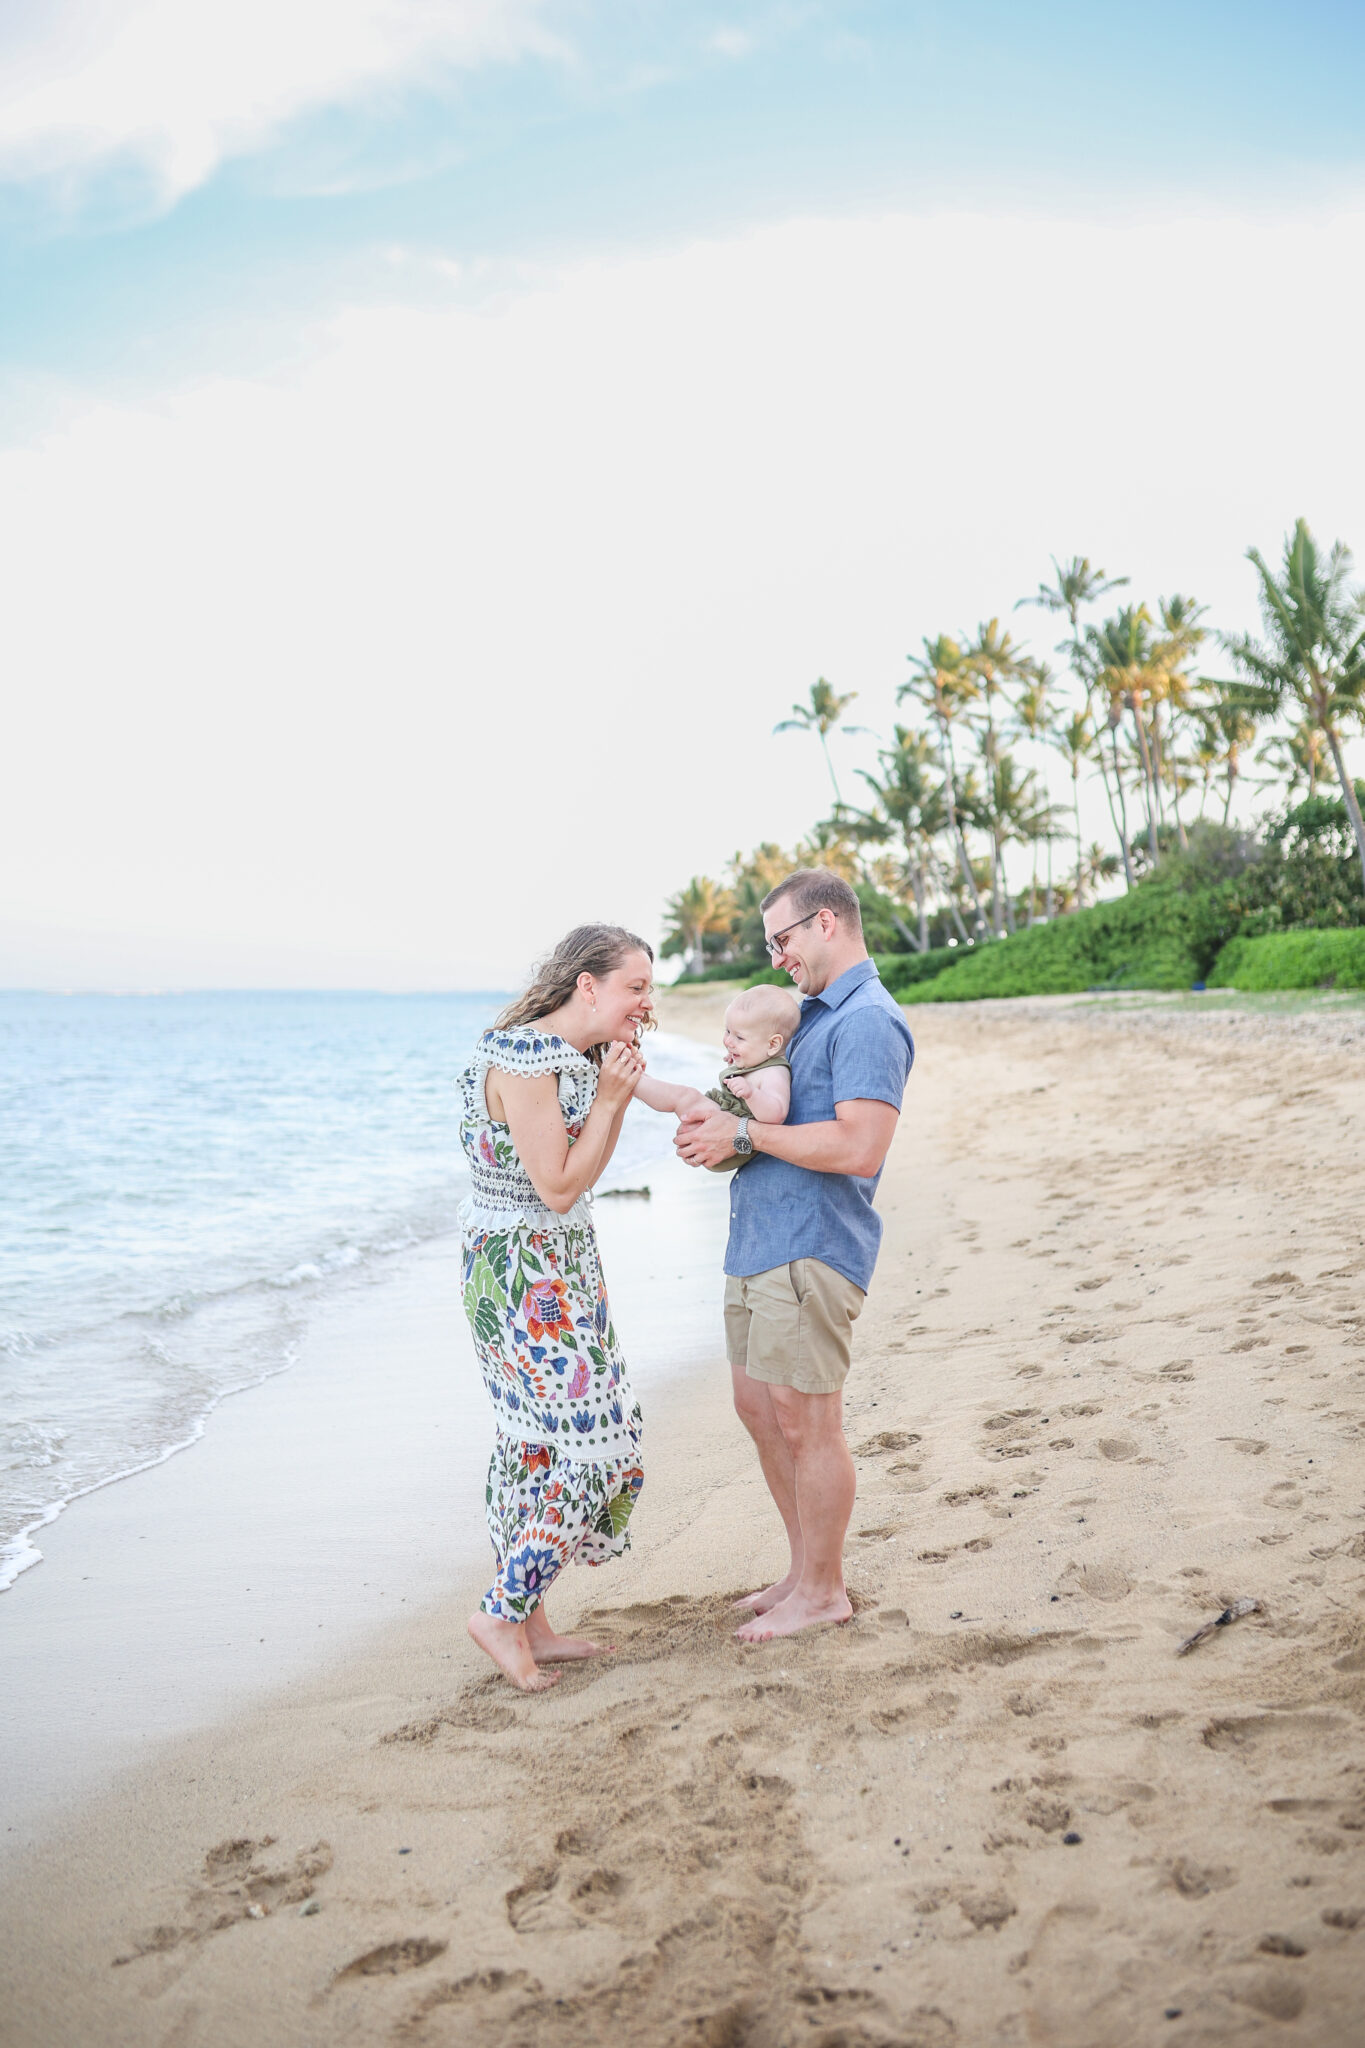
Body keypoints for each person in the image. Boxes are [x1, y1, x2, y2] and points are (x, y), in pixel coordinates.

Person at [674, 870, 914, 1643]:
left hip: (813, 1247)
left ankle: (823, 1590)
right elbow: (768, 1118)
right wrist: (718, 1137)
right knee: (758, 1410)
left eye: (782, 939)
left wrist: (745, 1134)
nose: (776, 956)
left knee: (808, 1422)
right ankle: (801, 1570)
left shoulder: (867, 1021)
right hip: (757, 1241)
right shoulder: (800, 1017)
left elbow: (858, 1145)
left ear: (825, 924)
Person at [456, 925, 652, 1692]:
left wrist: (612, 1097)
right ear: (588, 985)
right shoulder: (525, 1060)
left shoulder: (565, 1058)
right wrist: (611, 1100)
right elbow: (560, 1187)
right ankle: (501, 1612)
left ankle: (531, 1624)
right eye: (635, 987)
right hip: (525, 1273)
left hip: (544, 1263)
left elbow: (582, 1174)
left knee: (533, 1445)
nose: (646, 1003)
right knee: (603, 1445)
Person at [633, 983, 802, 1170]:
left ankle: (632, 1082)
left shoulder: (775, 1072)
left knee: (686, 1096)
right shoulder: (758, 1060)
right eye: (727, 1031)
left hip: (735, 1141)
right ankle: (641, 1078)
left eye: (739, 1037)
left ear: (772, 1044)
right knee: (686, 1099)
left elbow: (776, 1114)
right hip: (725, 1122)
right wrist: (737, 1062)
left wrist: (751, 1093)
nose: (728, 1041)